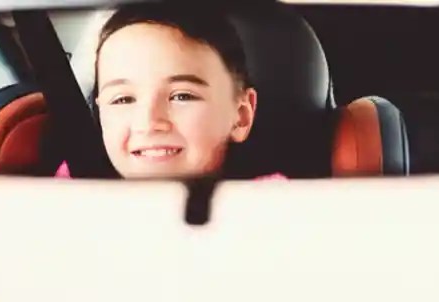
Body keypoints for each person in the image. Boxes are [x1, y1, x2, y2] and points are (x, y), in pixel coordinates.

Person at [55, 5, 284, 180]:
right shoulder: (69, 193)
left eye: (181, 96)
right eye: (123, 99)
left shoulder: (280, 207)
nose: (148, 123)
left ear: (241, 116)